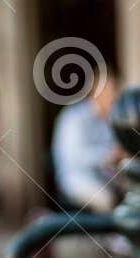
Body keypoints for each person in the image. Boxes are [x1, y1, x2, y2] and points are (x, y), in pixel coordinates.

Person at [51, 69, 122, 213]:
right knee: (106, 199)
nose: (114, 96)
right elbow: (74, 156)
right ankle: (108, 235)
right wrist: (109, 156)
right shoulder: (75, 117)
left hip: (104, 179)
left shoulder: (110, 121)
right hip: (76, 180)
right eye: (110, 91)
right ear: (96, 92)